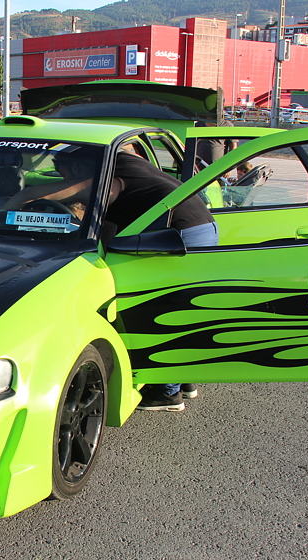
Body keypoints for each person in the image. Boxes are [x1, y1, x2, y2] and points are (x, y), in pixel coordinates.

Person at [107, 144, 218, 411]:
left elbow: (99, 200)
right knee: (183, 308)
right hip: (200, 225)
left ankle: (167, 394)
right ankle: (184, 380)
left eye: (61, 169)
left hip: (180, 233)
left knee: (168, 310)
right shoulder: (130, 161)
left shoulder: (110, 172)